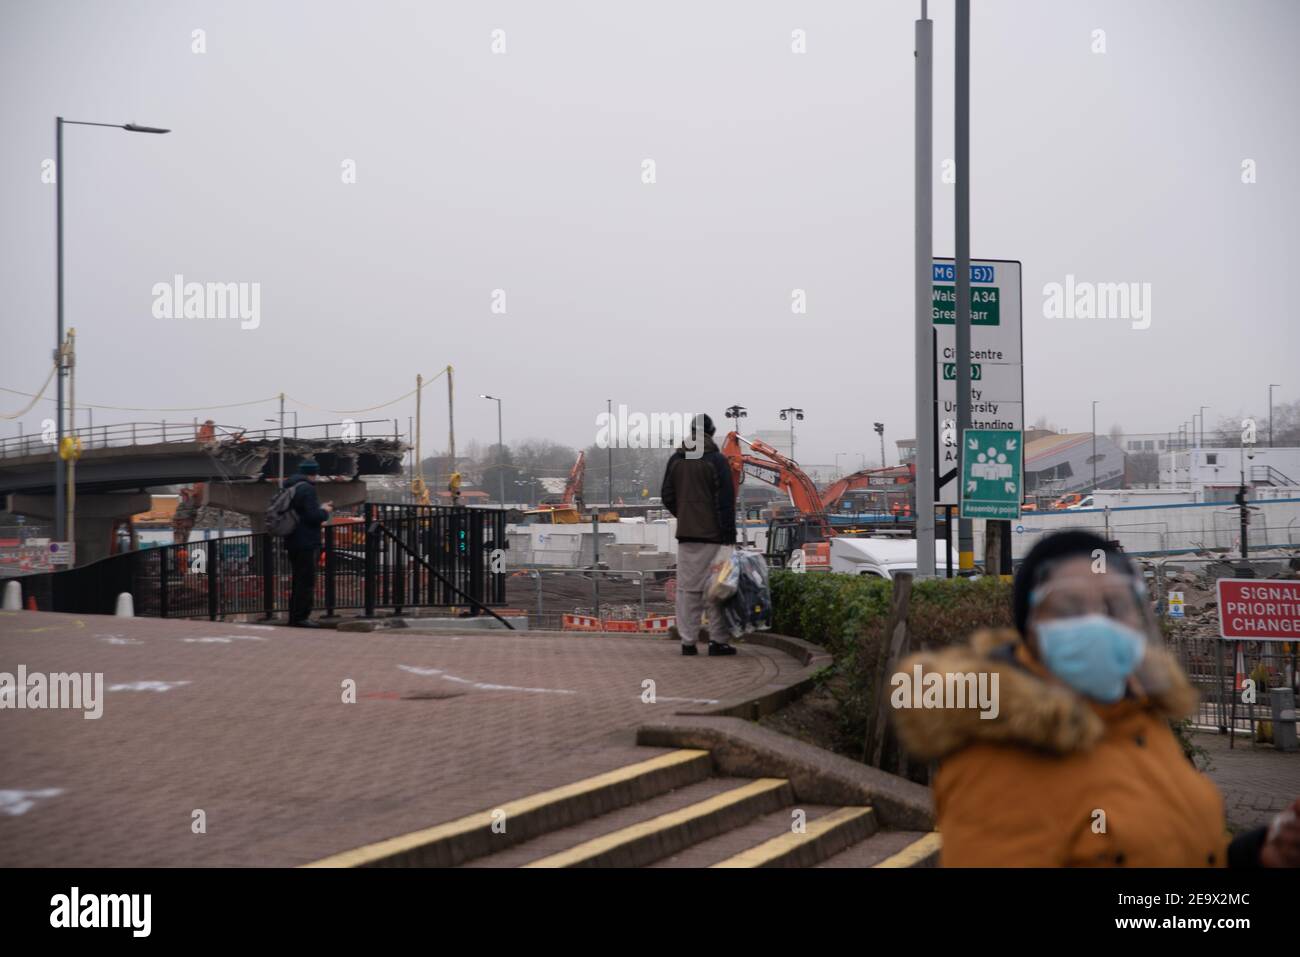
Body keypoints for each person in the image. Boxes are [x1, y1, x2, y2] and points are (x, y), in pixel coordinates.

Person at [892, 529, 1300, 867]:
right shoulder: (997, 761)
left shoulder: (1139, 721)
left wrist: (1259, 855)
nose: (1098, 622)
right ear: (1031, 627)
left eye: (1114, 603)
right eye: (1070, 606)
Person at [660, 413, 737, 657]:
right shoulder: (717, 460)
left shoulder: (676, 460)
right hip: (715, 538)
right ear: (712, 433)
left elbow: (667, 495)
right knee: (717, 590)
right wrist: (728, 536)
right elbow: (726, 502)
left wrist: (684, 515)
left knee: (687, 591)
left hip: (687, 537)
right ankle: (717, 642)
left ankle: (688, 642)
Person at [282, 459, 332, 628]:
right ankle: (301, 617)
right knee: (306, 581)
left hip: (292, 539)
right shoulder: (307, 489)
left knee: (298, 580)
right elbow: (312, 516)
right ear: (314, 473)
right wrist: (324, 511)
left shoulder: (289, 486)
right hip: (307, 541)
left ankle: (294, 616)